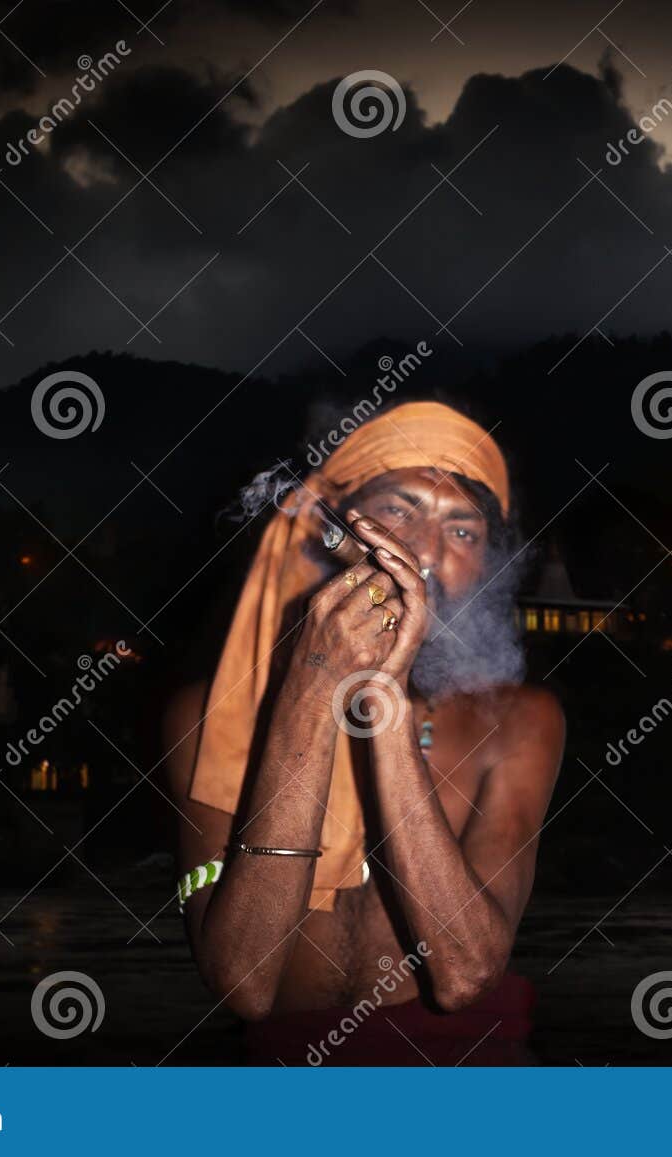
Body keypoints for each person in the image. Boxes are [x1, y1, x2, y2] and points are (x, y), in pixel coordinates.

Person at [163, 401, 565, 1064]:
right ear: (331, 530)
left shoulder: (518, 723)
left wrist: (384, 698)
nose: (427, 551)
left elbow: (466, 974)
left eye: (462, 532)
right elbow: (244, 982)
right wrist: (315, 685)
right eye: (398, 511)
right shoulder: (209, 717)